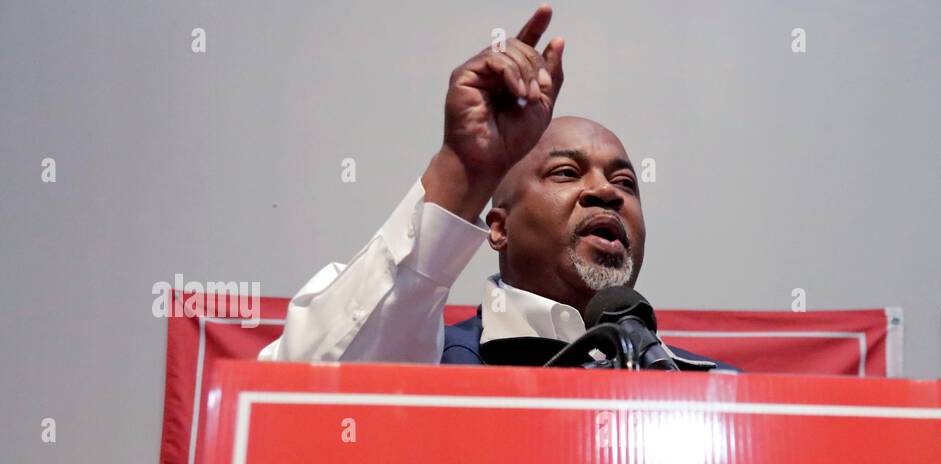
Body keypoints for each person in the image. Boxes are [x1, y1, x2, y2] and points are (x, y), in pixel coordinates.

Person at [260, 4, 731, 371]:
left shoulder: (718, 390)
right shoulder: (427, 362)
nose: (605, 192)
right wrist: (463, 170)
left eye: (625, 182)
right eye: (566, 173)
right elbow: (304, 400)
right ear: (497, 229)